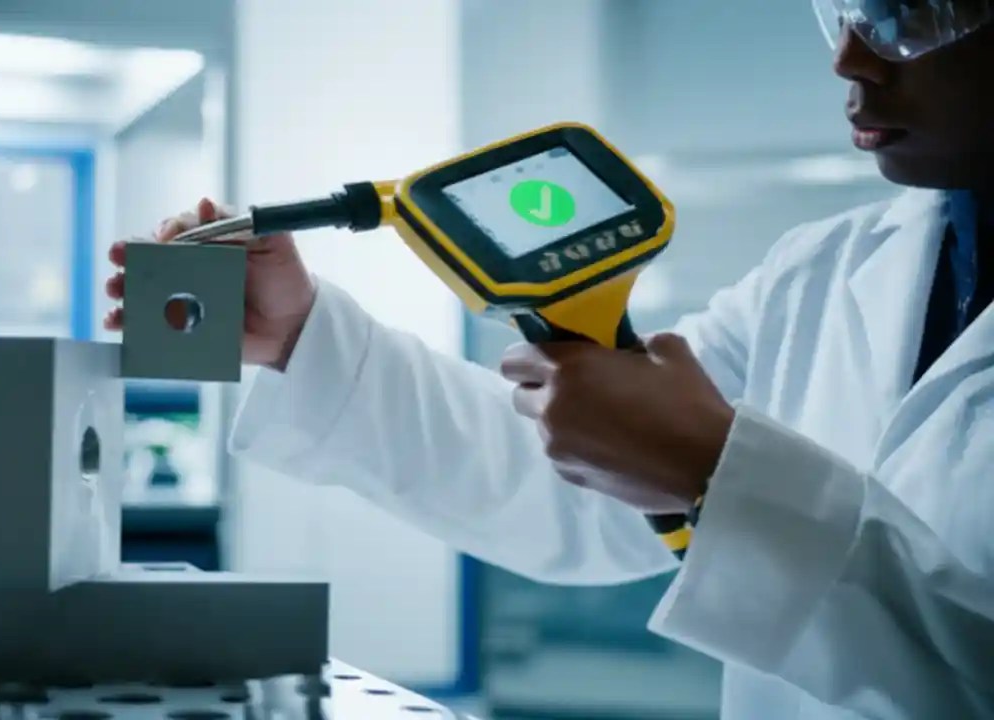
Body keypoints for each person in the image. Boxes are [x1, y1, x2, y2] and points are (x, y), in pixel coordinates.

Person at [105, 4, 994, 718]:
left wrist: (716, 476)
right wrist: (300, 335)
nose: (851, 59)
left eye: (910, 14)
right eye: (844, 9)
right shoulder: (821, 270)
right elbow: (583, 491)